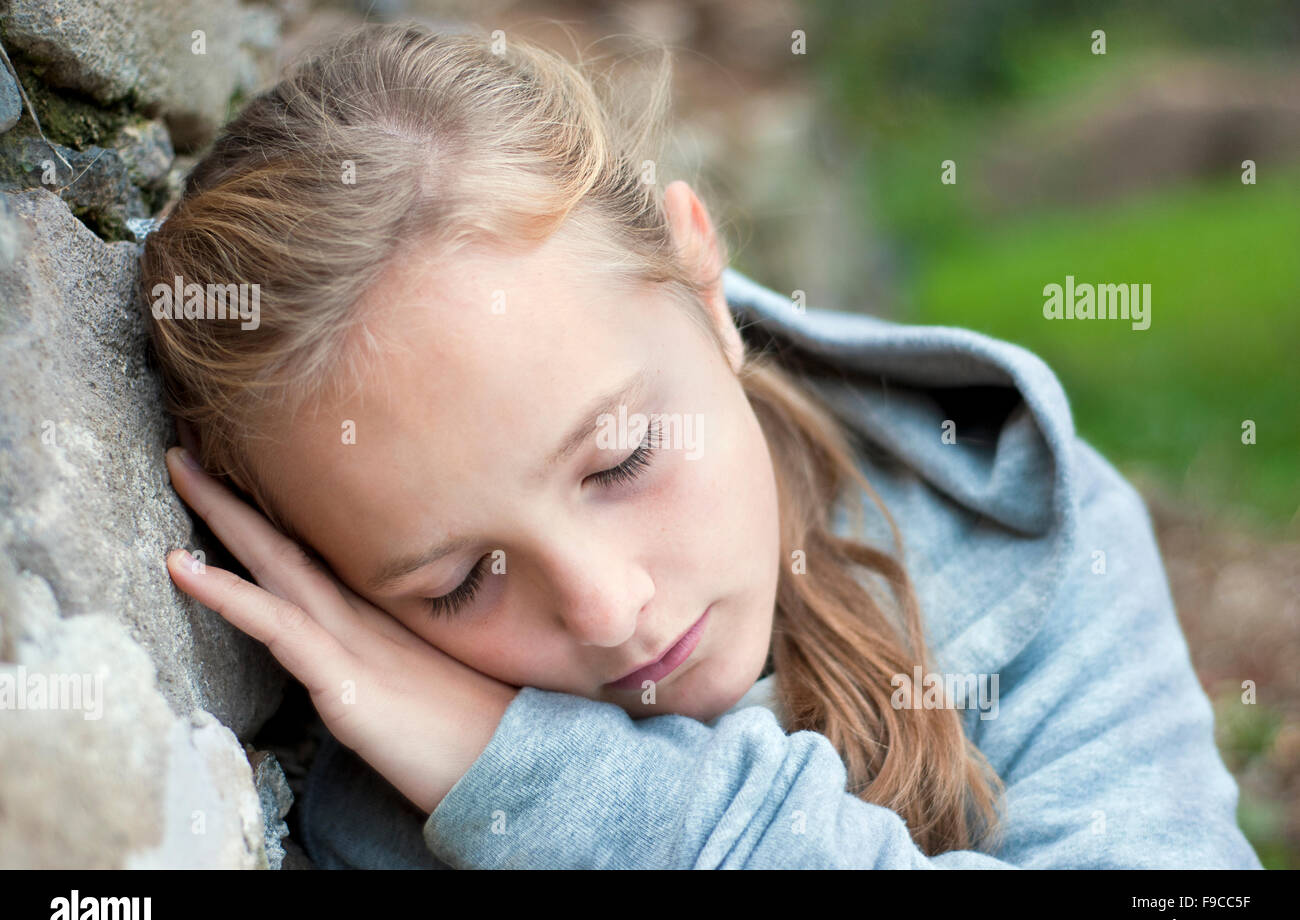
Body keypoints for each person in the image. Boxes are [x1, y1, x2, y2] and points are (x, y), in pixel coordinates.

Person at [142, 21, 1261, 868]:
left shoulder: (1022, 520)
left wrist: (553, 784)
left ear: (702, 279)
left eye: (623, 458)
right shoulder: (352, 794)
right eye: (458, 580)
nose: (607, 608)